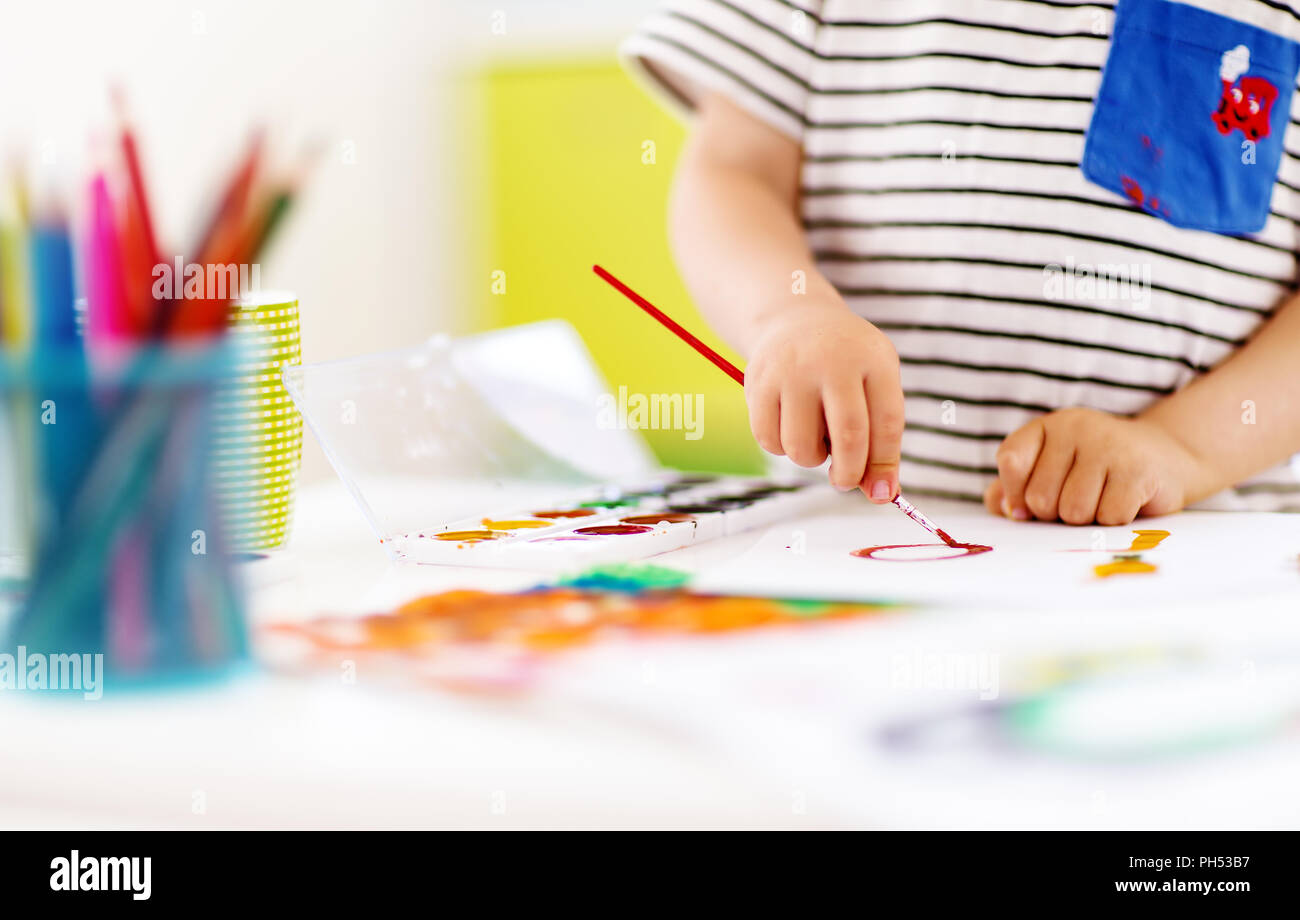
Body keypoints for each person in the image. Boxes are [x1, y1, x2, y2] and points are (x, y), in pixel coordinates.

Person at [622, 0, 1300, 524]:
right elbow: (735, 169)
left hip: (1202, 565)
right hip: (850, 551)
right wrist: (785, 312)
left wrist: (1184, 449)